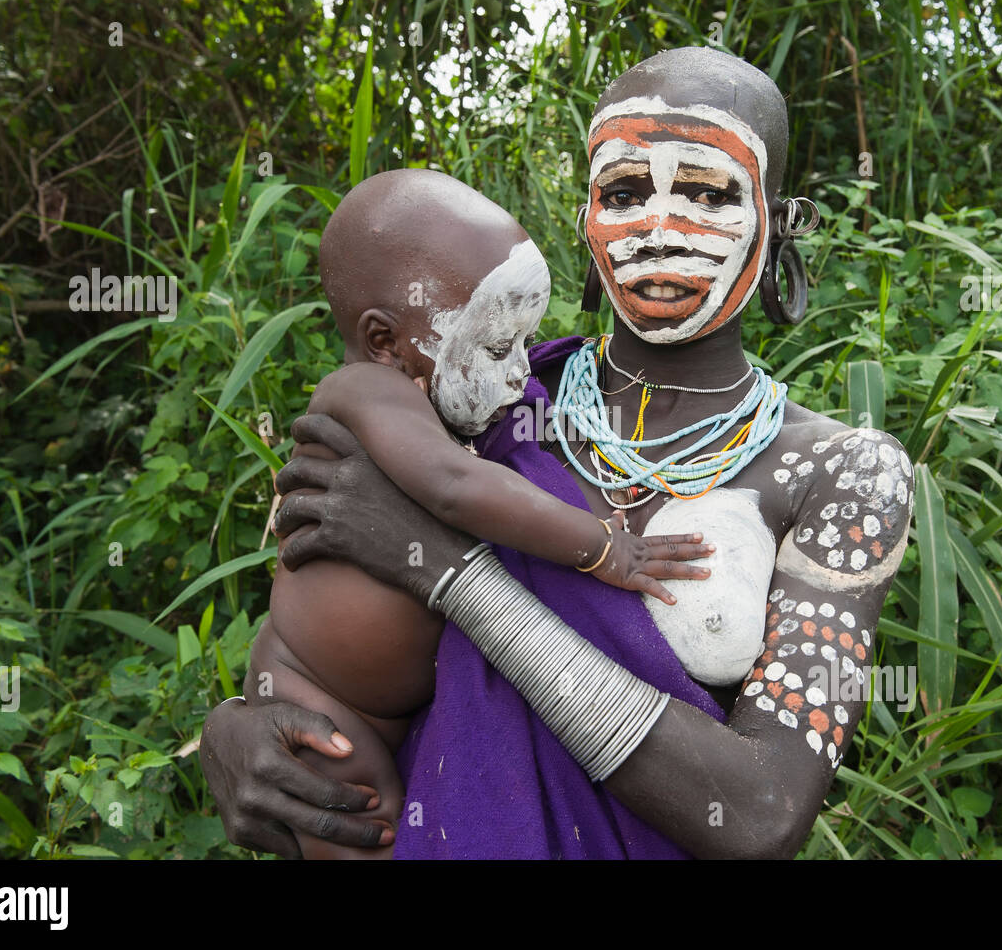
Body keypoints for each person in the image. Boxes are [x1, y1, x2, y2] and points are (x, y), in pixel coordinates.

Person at [201, 46, 913, 860]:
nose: (659, 227)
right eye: (625, 190)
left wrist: (457, 578)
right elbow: (319, 611)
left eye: (709, 192)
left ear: (779, 218)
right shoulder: (483, 391)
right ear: (586, 219)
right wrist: (235, 726)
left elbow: (758, 816)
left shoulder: (842, 473)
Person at [255, 168, 713, 858]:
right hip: (322, 699)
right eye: (497, 349)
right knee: (361, 829)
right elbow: (452, 486)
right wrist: (601, 548)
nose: (519, 374)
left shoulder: (448, 400)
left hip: (387, 711)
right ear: (384, 341)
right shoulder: (367, 393)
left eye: (526, 344)